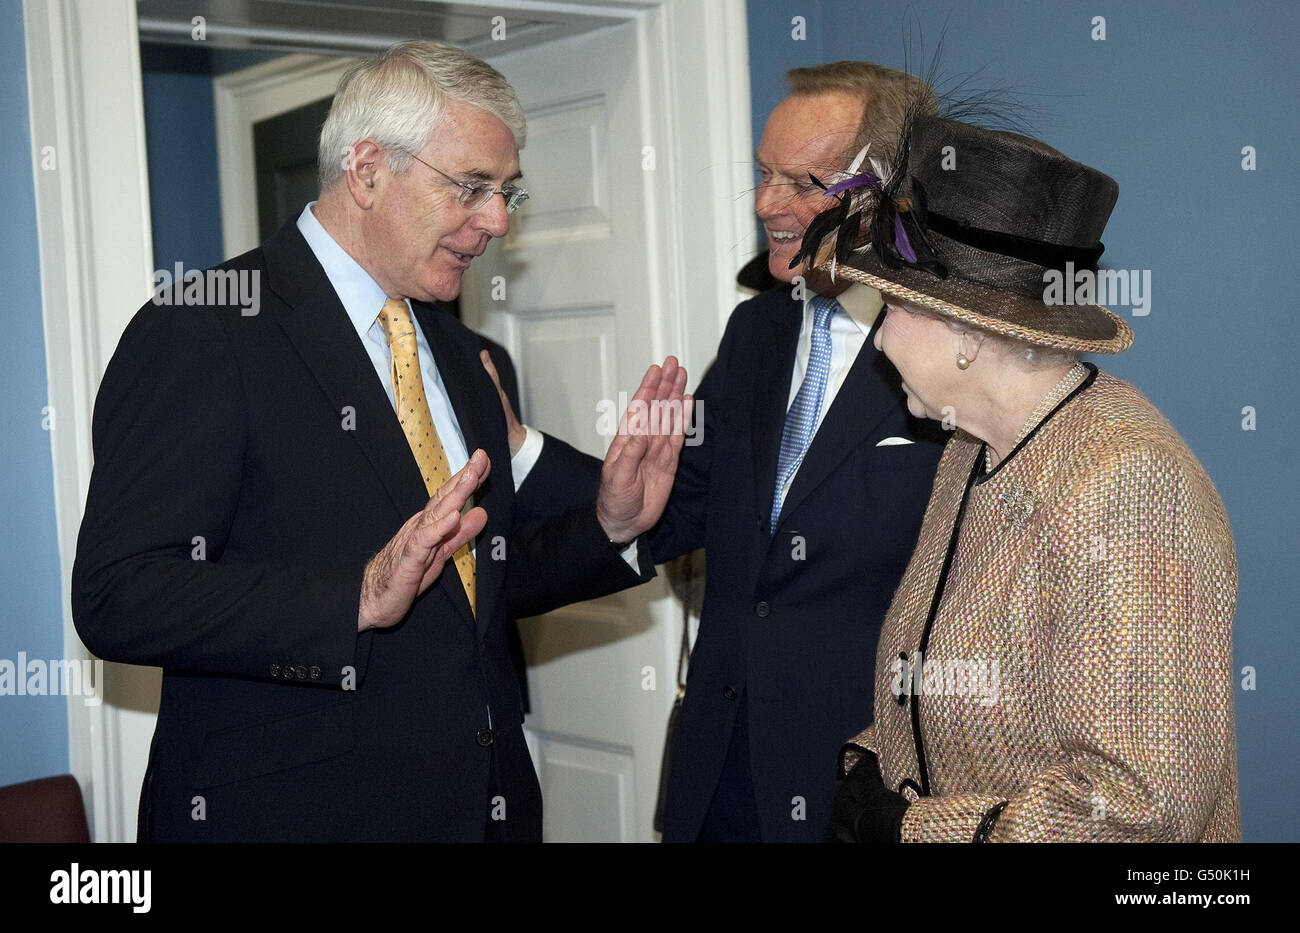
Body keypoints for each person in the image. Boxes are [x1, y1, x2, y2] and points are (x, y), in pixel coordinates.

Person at [71, 40, 690, 843]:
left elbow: (467, 586)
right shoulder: (204, 330)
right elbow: (119, 594)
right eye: (471, 187)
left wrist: (608, 526)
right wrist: (354, 597)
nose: (498, 220)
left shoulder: (465, 358)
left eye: (507, 192)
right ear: (365, 170)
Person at [500, 62, 949, 842]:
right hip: (717, 785)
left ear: (884, 196)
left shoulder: (953, 354)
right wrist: (538, 458)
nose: (768, 204)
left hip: (865, 794)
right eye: (763, 174)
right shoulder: (758, 334)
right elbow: (678, 504)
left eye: (802, 182)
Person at [825, 115, 1241, 842]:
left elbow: (1140, 805)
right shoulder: (969, 449)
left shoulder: (1129, 483)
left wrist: (916, 829)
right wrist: (870, 762)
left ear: (964, 334)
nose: (881, 335)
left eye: (891, 306)